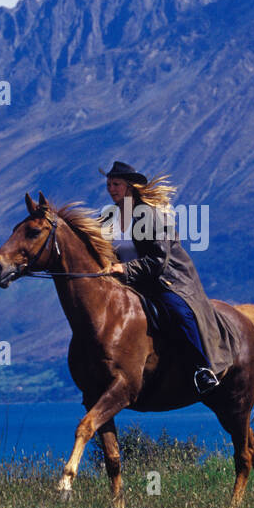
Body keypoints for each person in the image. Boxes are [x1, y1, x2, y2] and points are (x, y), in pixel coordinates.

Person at [99, 161, 223, 395]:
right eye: (108, 184)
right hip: (125, 283)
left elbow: (157, 260)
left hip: (163, 281)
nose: (111, 189)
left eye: (116, 184)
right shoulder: (107, 219)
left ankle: (202, 368)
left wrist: (124, 269)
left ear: (130, 187)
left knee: (179, 312)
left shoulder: (150, 215)